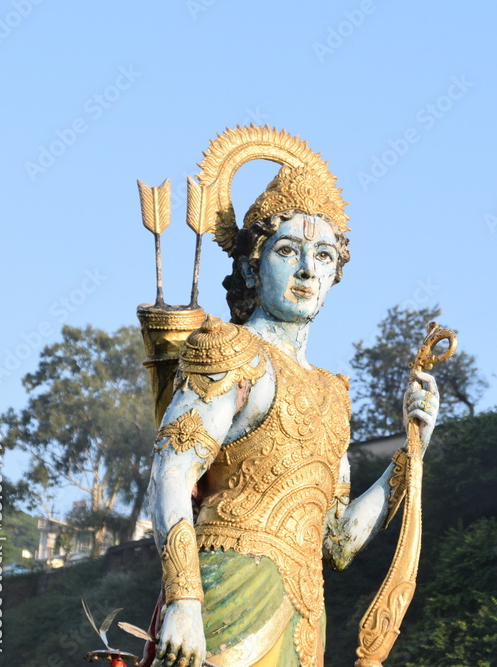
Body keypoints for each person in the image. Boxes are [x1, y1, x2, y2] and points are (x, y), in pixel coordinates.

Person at [145, 163, 440, 667]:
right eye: (287, 251)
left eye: (322, 255)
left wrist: (413, 449)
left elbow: (340, 541)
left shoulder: (333, 393)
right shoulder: (230, 351)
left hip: (306, 617)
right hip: (228, 596)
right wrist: (185, 601)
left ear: (335, 273)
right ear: (251, 267)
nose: (307, 270)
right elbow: (171, 473)